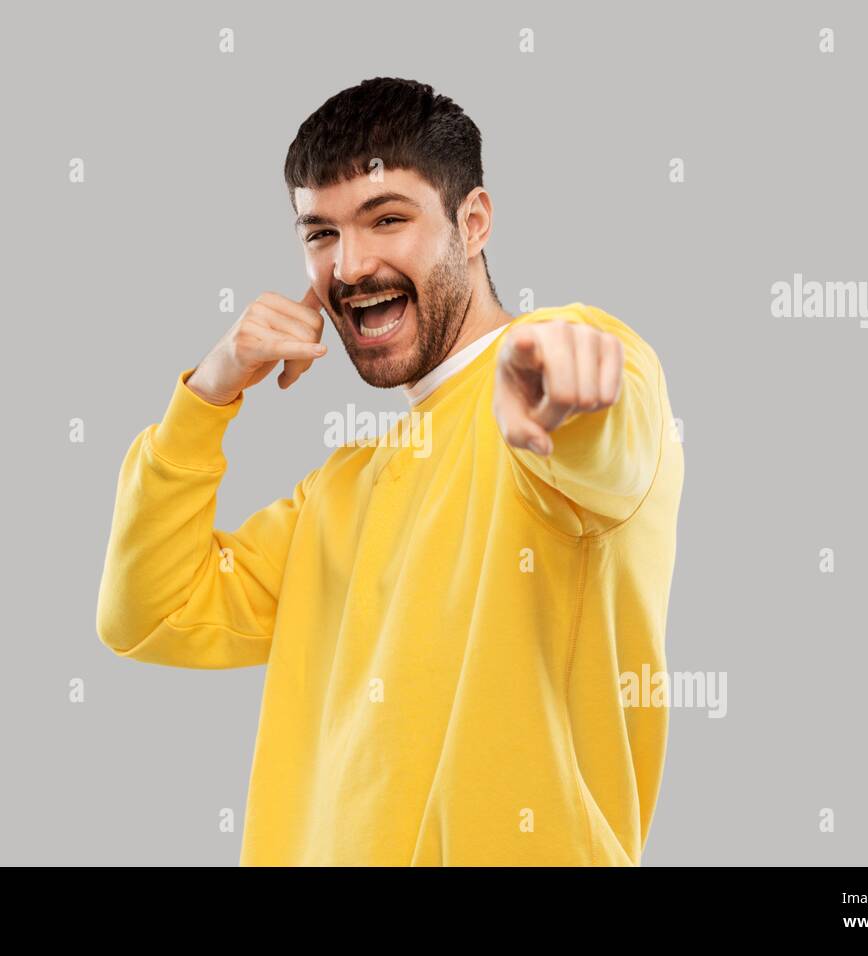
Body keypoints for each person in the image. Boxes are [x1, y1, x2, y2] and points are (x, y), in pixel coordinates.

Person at [96, 77, 684, 866]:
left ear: (472, 223)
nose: (350, 265)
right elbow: (147, 612)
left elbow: (605, 427)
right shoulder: (340, 492)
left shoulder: (552, 372)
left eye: (387, 220)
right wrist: (210, 392)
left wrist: (556, 386)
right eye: (321, 234)